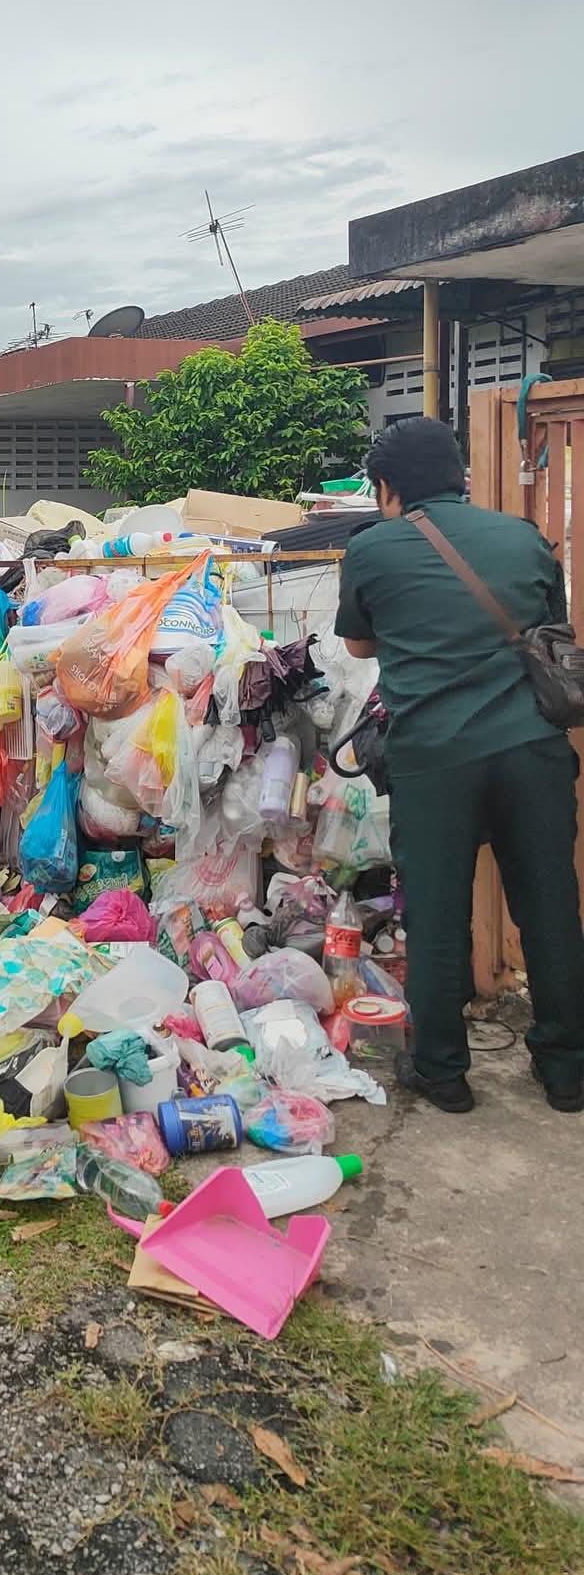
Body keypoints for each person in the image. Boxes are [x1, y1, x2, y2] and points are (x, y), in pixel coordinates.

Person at [335, 416, 584, 1114]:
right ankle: (567, 1071)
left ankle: (443, 1072)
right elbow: (548, 630)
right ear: (459, 477)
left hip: (435, 757)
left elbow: (357, 648)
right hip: (532, 749)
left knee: (440, 913)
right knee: (550, 904)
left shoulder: (373, 549)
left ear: (387, 487)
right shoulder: (523, 538)